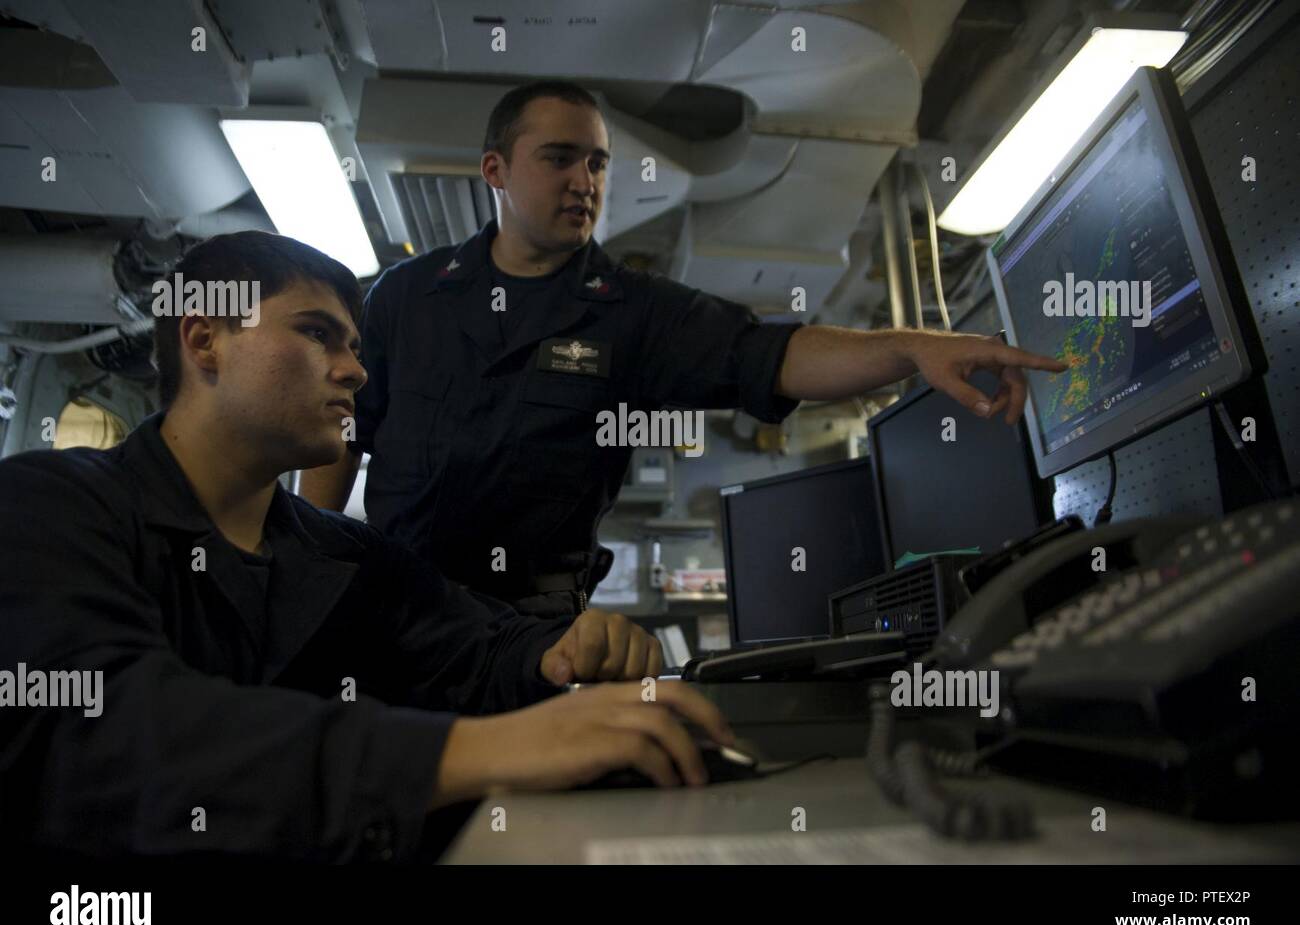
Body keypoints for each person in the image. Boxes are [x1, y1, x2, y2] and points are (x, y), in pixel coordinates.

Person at [0, 231, 732, 863]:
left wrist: (558, 651)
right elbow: (107, 727)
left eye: (353, 344)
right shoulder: (50, 504)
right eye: (317, 333)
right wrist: (471, 753)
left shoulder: (346, 555)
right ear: (204, 340)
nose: (354, 369)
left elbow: (471, 646)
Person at [300, 80, 1068, 617]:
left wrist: (910, 347)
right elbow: (342, 427)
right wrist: (313, 558)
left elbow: (774, 354)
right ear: (495, 171)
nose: (585, 181)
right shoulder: (406, 295)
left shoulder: (634, 314)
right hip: (394, 607)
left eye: (598, 163)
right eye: (560, 158)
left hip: (530, 634)